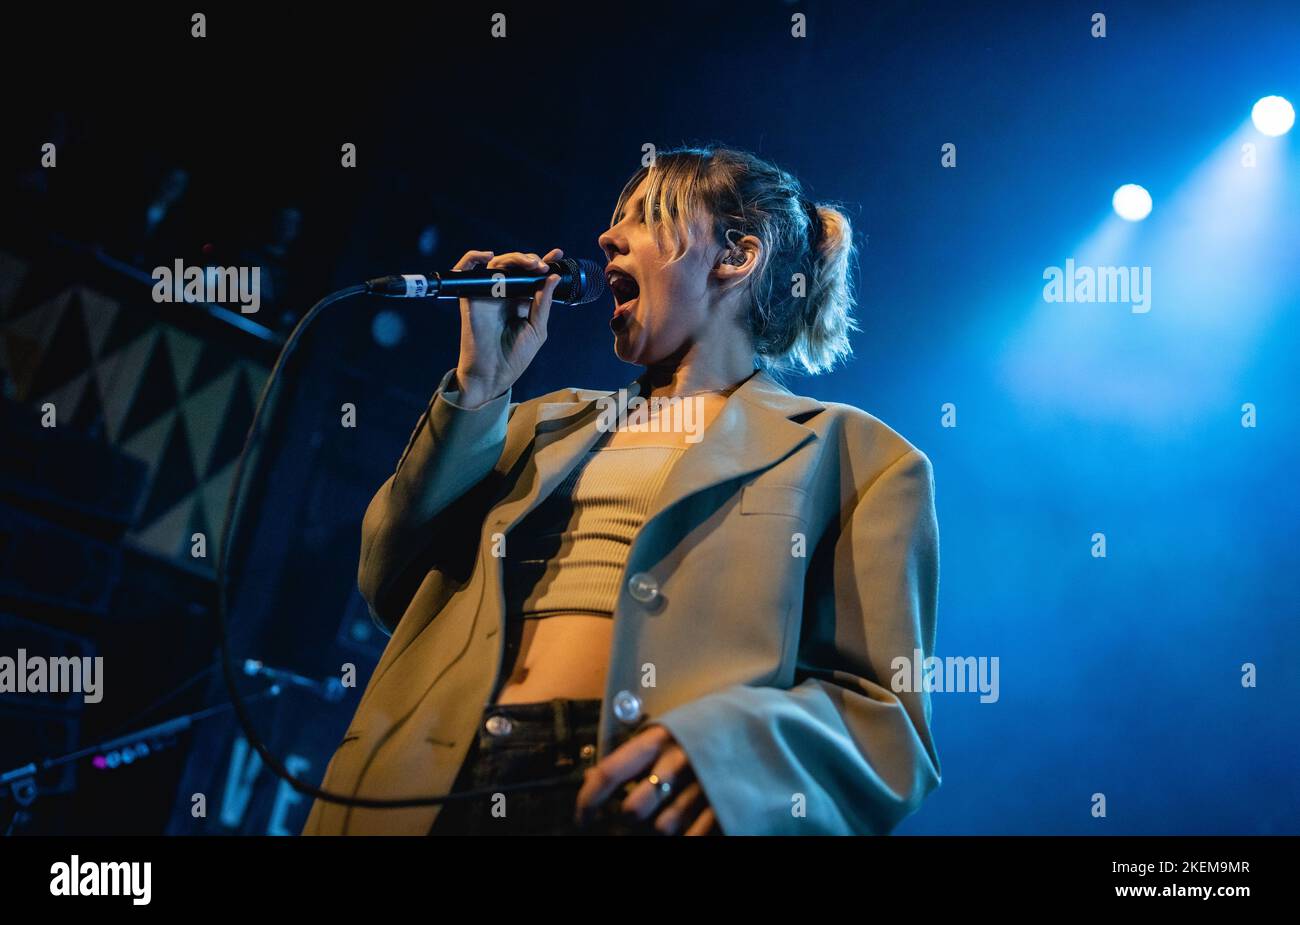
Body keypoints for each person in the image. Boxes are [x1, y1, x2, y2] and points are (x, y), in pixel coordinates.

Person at [302, 145, 941, 836]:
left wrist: (728, 755)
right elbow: (387, 579)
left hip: (629, 800)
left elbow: (884, 718)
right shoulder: (530, 424)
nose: (607, 236)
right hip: (429, 791)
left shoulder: (857, 455)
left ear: (735, 256)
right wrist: (481, 387)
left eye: (647, 214)